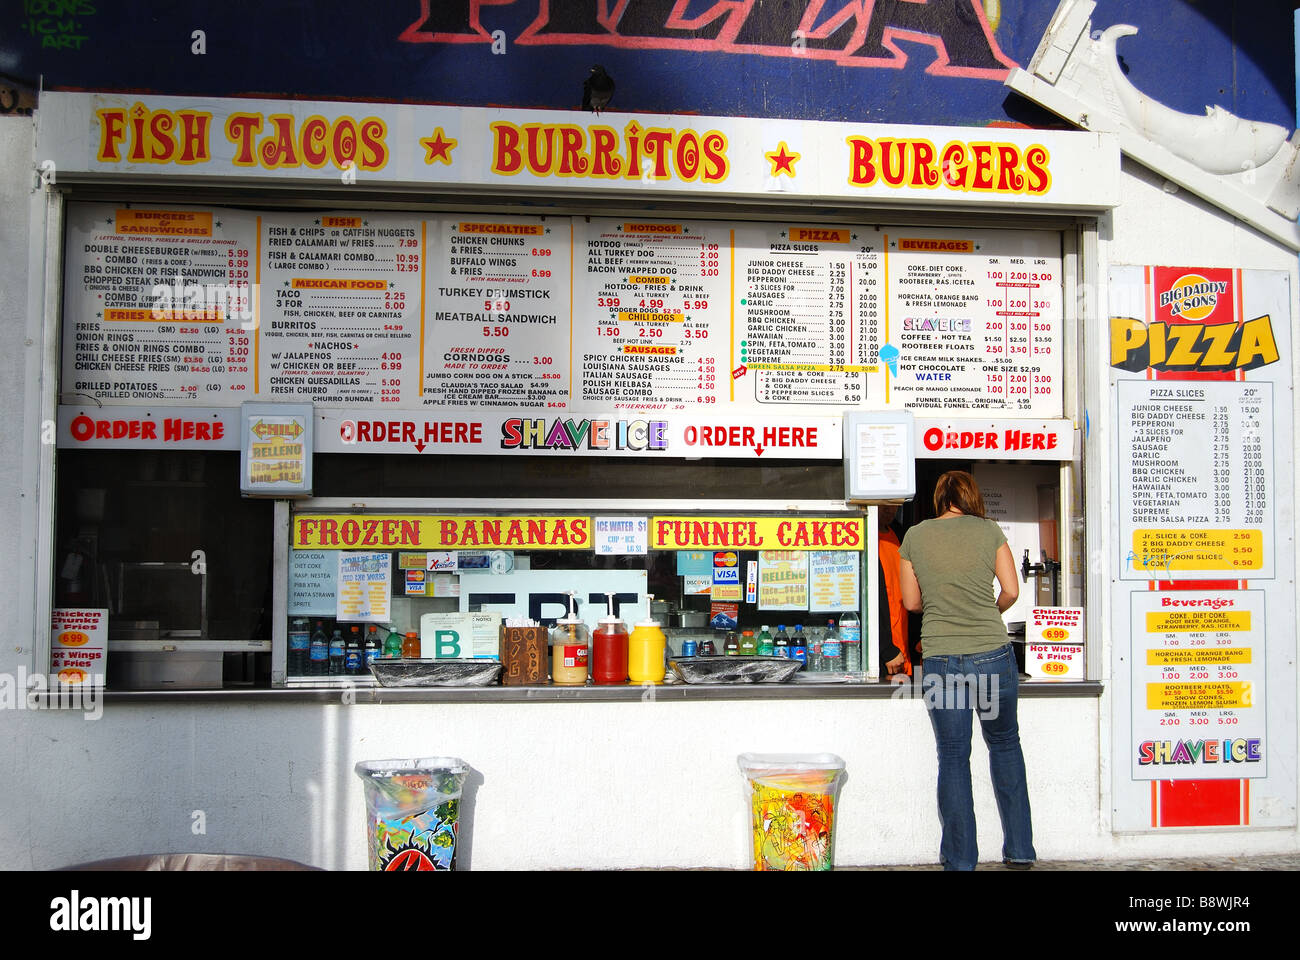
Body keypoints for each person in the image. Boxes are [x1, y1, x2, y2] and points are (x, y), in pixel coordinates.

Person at [898, 470, 1035, 871]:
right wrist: (985, 614)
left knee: (954, 756)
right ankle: (1021, 849)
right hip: (991, 655)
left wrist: (944, 604)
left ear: (939, 497)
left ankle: (960, 860)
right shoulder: (989, 531)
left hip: (942, 659)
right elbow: (1011, 590)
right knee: (1005, 746)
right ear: (970, 495)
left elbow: (910, 602)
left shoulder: (916, 536)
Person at [876, 504, 910, 680]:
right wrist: (886, 648)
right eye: (884, 505)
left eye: (894, 505)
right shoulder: (866, 535)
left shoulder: (901, 533)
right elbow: (865, 599)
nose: (890, 509)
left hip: (904, 646)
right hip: (882, 655)